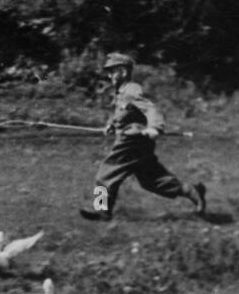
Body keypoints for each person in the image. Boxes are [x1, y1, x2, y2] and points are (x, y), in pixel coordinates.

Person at [79, 53, 206, 222]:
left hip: (131, 141)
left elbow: (150, 108)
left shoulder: (131, 90)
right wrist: (112, 125)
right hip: (139, 143)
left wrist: (155, 127)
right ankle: (191, 190)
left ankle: (102, 211)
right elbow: (123, 114)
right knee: (152, 180)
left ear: (123, 72)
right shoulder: (121, 92)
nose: (109, 76)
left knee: (105, 174)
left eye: (112, 72)